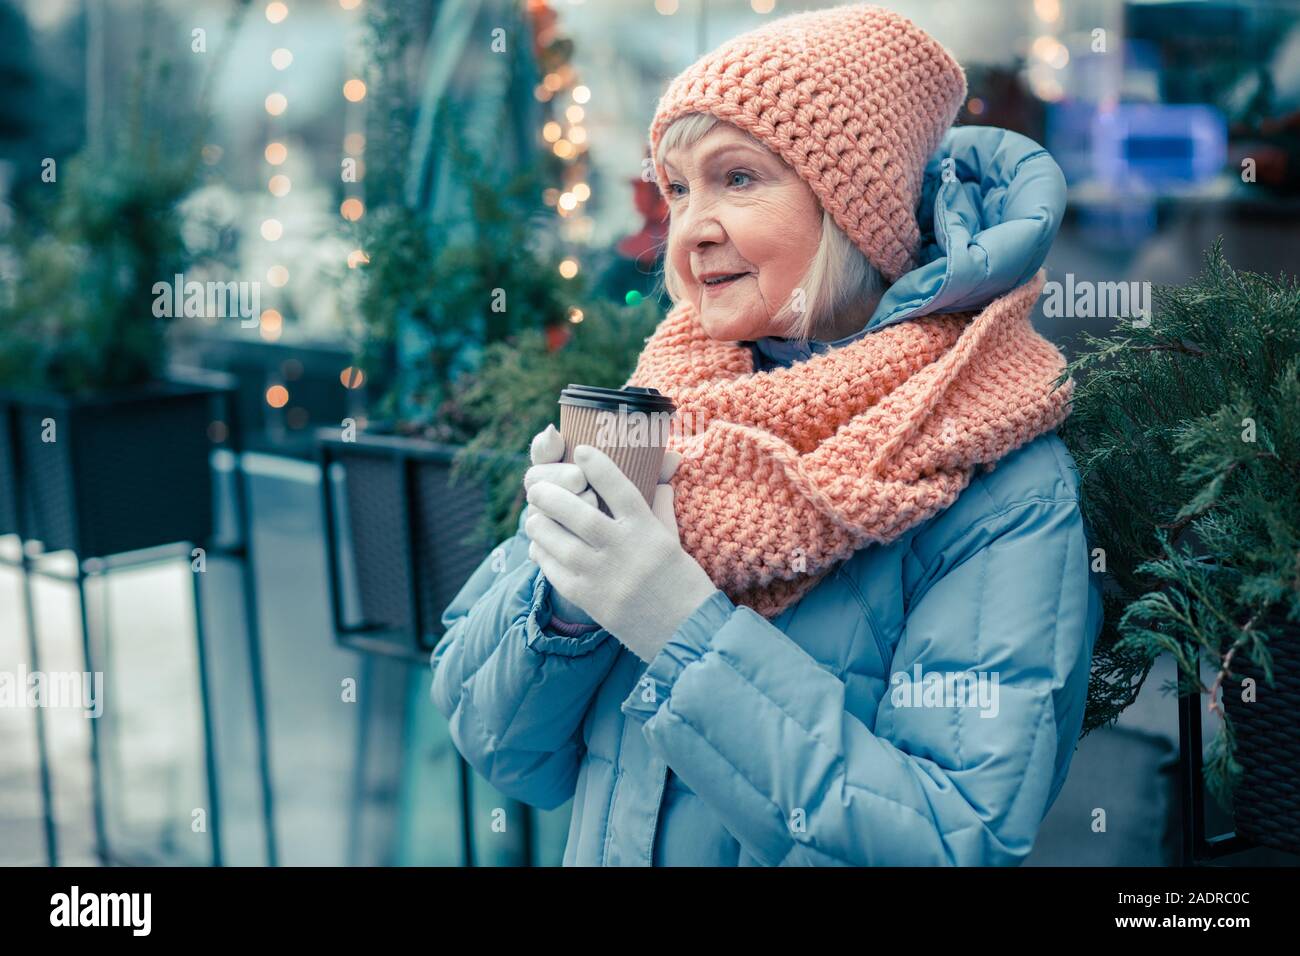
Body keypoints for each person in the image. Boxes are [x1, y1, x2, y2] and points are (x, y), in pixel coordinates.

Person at [431, 3, 1103, 866]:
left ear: (855, 210)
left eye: (737, 178)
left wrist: (677, 622)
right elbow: (501, 748)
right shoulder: (666, 406)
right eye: (677, 189)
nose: (690, 230)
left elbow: (951, 836)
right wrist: (568, 598)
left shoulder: (1001, 480)